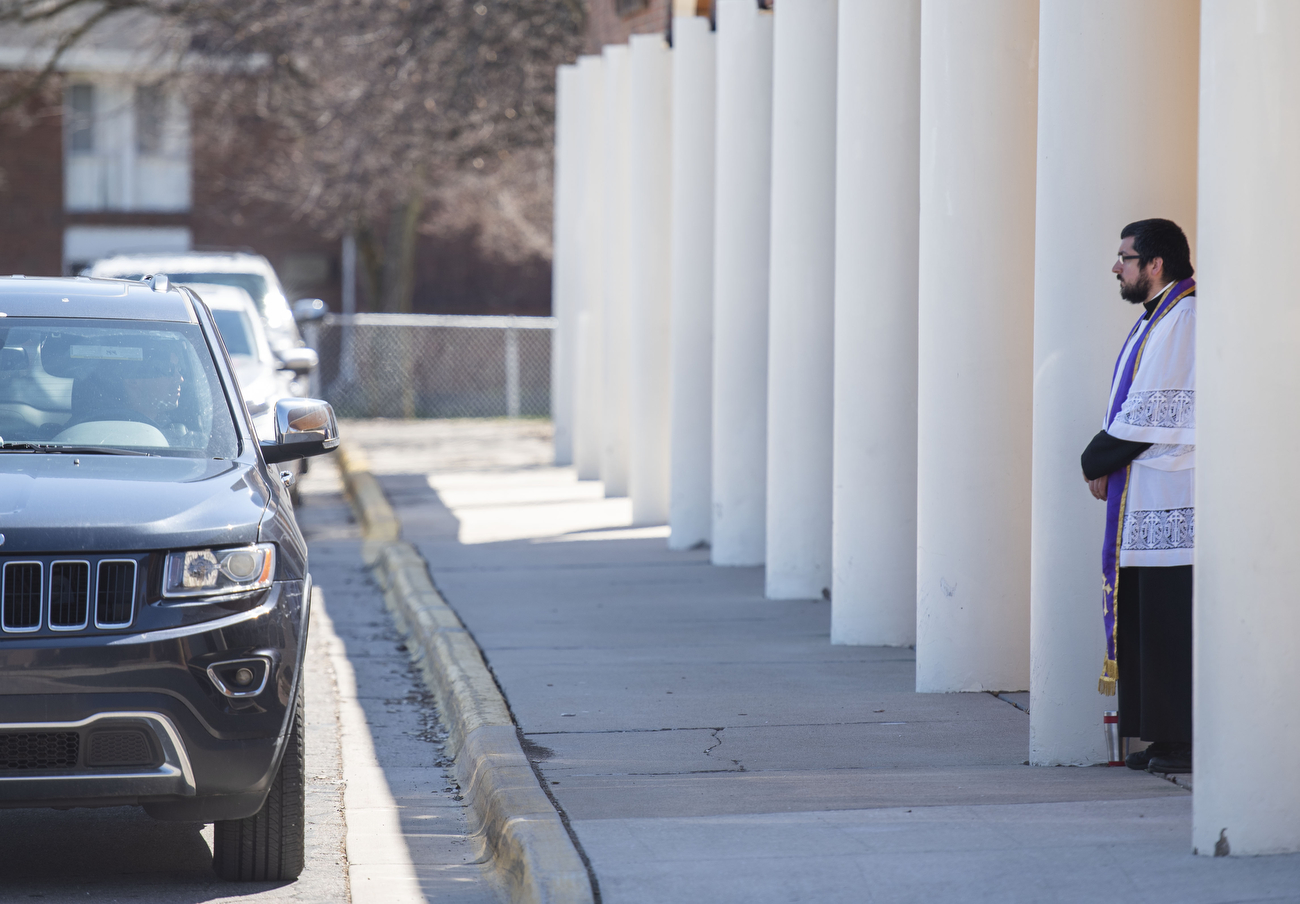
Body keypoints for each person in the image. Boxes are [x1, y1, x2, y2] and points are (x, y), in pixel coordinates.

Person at [1080, 218, 1195, 775]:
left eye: (1125, 257)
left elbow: (1152, 409)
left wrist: (1098, 457)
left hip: (1176, 496)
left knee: (1172, 621)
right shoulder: (1161, 315)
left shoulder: (1185, 316)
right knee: (1153, 618)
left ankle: (1184, 740)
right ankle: (1166, 737)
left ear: (1156, 264)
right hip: (1149, 492)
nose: (1116, 266)